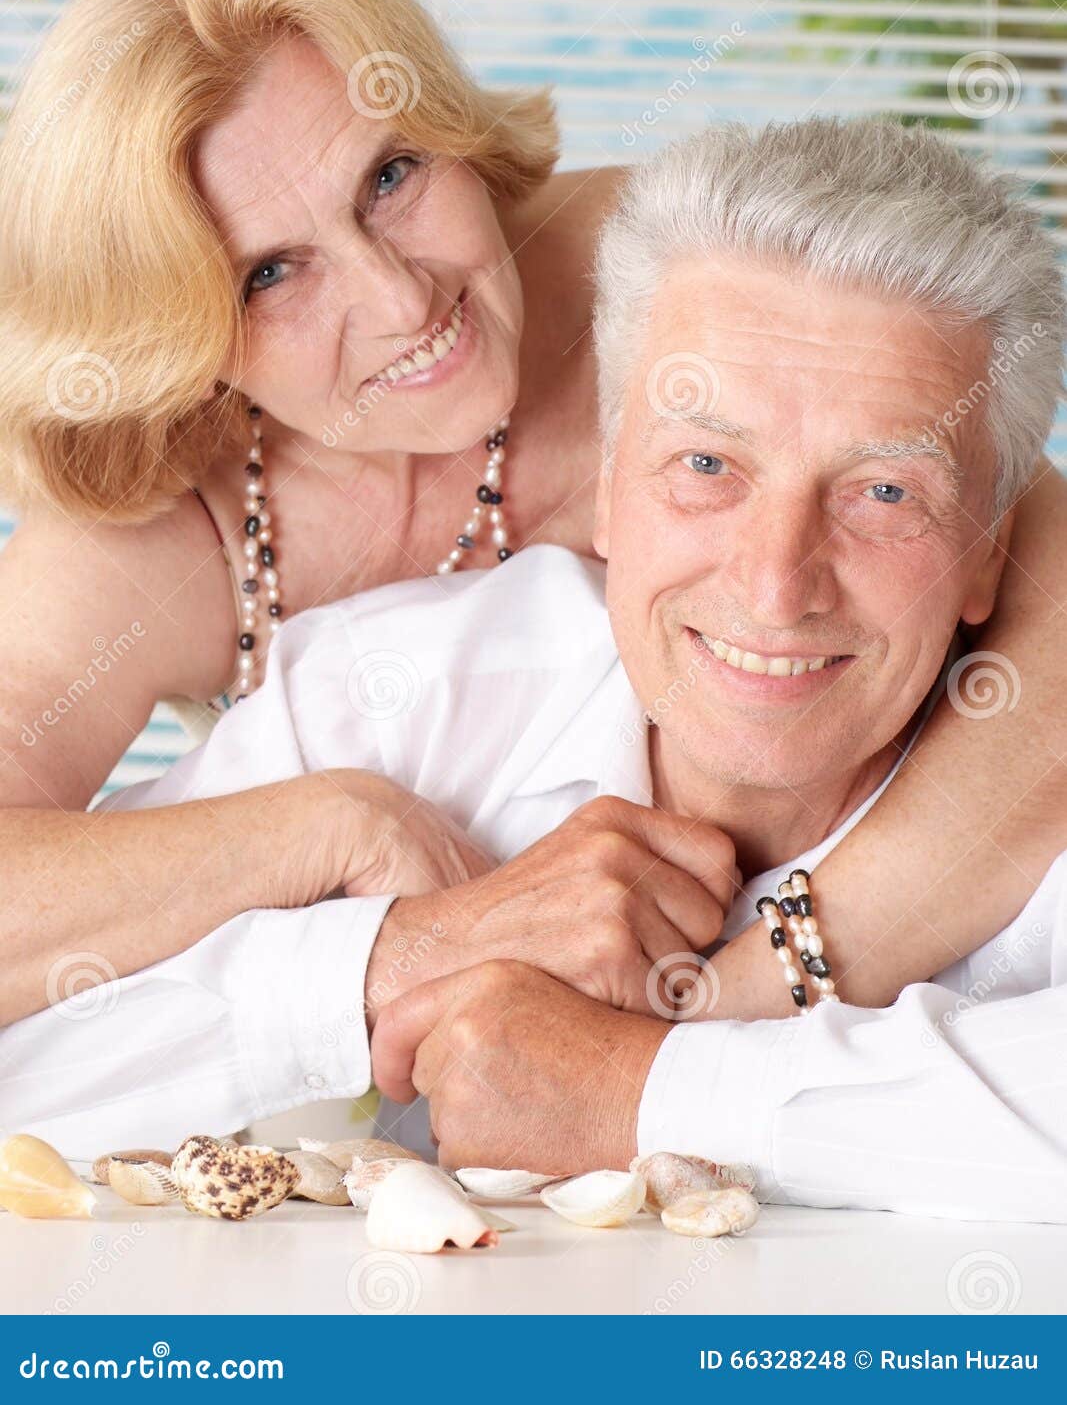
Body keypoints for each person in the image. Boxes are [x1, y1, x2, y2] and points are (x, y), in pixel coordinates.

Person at [0, 0, 1062, 1032]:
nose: (400, 299)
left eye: (391, 175)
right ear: (168, 337)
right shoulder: (164, 523)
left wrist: (725, 1009)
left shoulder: (678, 284)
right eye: (270, 273)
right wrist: (334, 830)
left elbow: (1028, 598)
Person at [7, 116, 1064, 1222]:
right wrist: (390, 961)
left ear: (990, 551)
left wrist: (633, 1090)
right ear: (603, 489)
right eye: (706, 464)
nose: (773, 585)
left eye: (884, 492)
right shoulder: (384, 696)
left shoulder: (1036, 797)